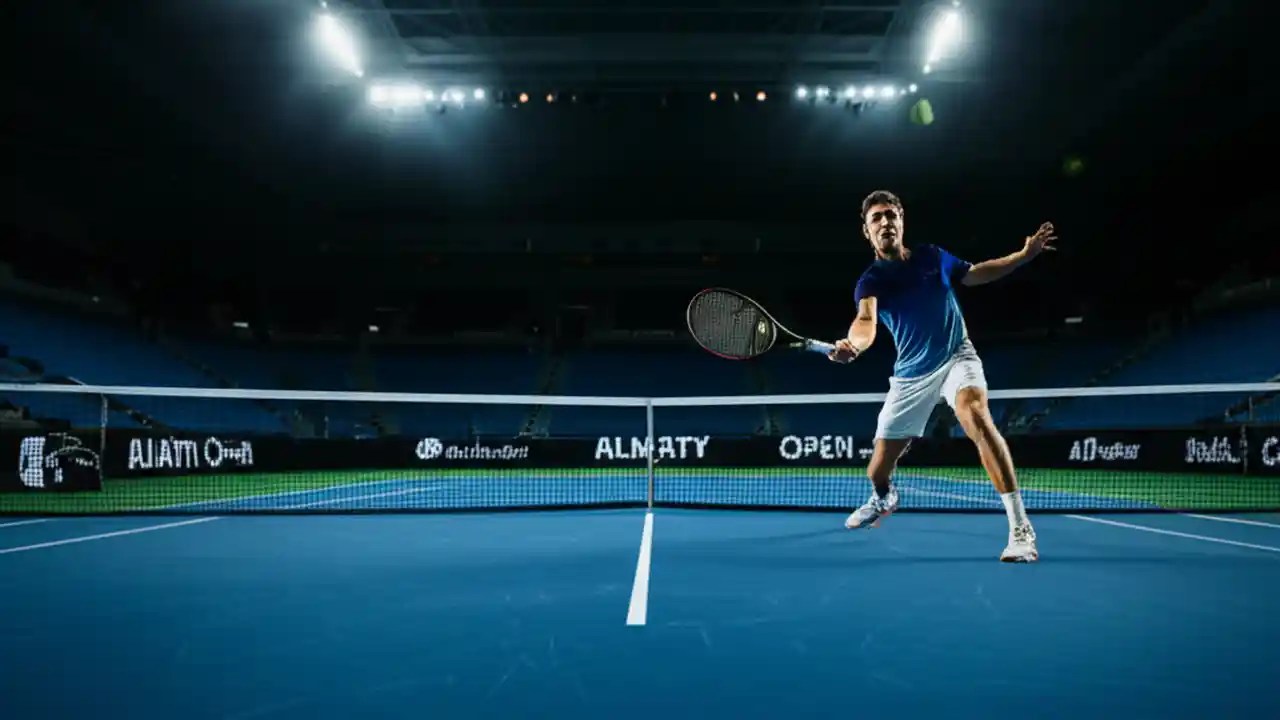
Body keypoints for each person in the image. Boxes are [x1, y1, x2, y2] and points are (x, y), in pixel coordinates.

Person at [827, 190, 1056, 562]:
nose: (885, 222)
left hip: (956, 357)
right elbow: (865, 321)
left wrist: (1023, 256)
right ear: (866, 231)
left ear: (901, 220)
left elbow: (975, 273)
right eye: (876, 219)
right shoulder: (870, 282)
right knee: (877, 468)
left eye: (891, 215)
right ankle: (883, 497)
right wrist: (854, 345)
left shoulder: (932, 257)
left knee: (977, 417)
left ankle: (1020, 529)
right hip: (911, 377)